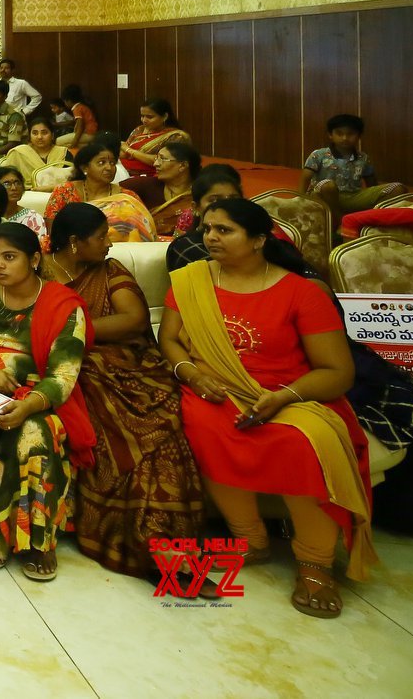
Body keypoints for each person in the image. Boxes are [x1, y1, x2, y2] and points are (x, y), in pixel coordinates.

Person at [159, 198, 376, 618]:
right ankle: (250, 539)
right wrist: (191, 373)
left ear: (258, 240)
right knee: (201, 426)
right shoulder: (190, 280)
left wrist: (283, 397)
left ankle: (315, 563)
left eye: (225, 230)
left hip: (290, 395)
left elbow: (337, 371)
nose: (211, 238)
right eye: (207, 229)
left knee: (302, 444)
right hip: (215, 391)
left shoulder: (302, 292)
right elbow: (169, 340)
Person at [42, 203, 206, 584]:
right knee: (107, 422)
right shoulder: (39, 271)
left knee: (162, 429)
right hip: (71, 366)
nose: (109, 244)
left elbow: (133, 319)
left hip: (126, 363)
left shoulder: (109, 270)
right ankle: (143, 543)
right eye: (101, 238)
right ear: (74, 242)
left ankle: (167, 544)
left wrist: (74, 332)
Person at [0, 221, 91, 579]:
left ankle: (36, 542)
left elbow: (64, 375)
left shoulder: (63, 306)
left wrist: (28, 405)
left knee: (35, 437)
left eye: (9, 257)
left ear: (35, 258)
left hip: (37, 398)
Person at [47, 142, 154, 242]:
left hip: (120, 251)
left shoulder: (127, 197)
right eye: (101, 162)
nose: (109, 168)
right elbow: (52, 231)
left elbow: (145, 231)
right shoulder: (64, 191)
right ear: (85, 167)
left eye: (112, 163)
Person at [303, 113, 390, 214]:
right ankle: (338, 220)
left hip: (352, 197)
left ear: (359, 136)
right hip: (322, 197)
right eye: (339, 133)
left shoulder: (363, 158)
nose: (344, 138)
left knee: (397, 188)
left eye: (350, 134)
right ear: (330, 135)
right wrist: (300, 202)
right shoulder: (318, 154)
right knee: (328, 186)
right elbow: (305, 179)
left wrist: (373, 196)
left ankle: (366, 216)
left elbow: (372, 185)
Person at [131, 141, 201, 239]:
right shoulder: (145, 185)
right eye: (157, 158)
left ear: (183, 166)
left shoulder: (200, 193)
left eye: (162, 159)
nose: (155, 164)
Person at [118, 98, 191, 178]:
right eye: (142, 116)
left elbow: (162, 161)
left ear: (165, 116)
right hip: (122, 168)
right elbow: (124, 152)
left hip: (148, 176)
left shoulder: (176, 136)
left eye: (149, 117)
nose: (144, 120)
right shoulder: (140, 129)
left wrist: (129, 150)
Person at [0, 166, 49, 246]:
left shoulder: (32, 218)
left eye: (17, 183)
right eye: (7, 184)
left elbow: (38, 247)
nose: (14, 188)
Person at [5, 119, 69, 181]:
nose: (39, 137)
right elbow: (6, 178)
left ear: (52, 135)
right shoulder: (18, 153)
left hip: (58, 190)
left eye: (44, 133)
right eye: (35, 133)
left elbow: (71, 179)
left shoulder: (63, 153)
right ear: (29, 136)